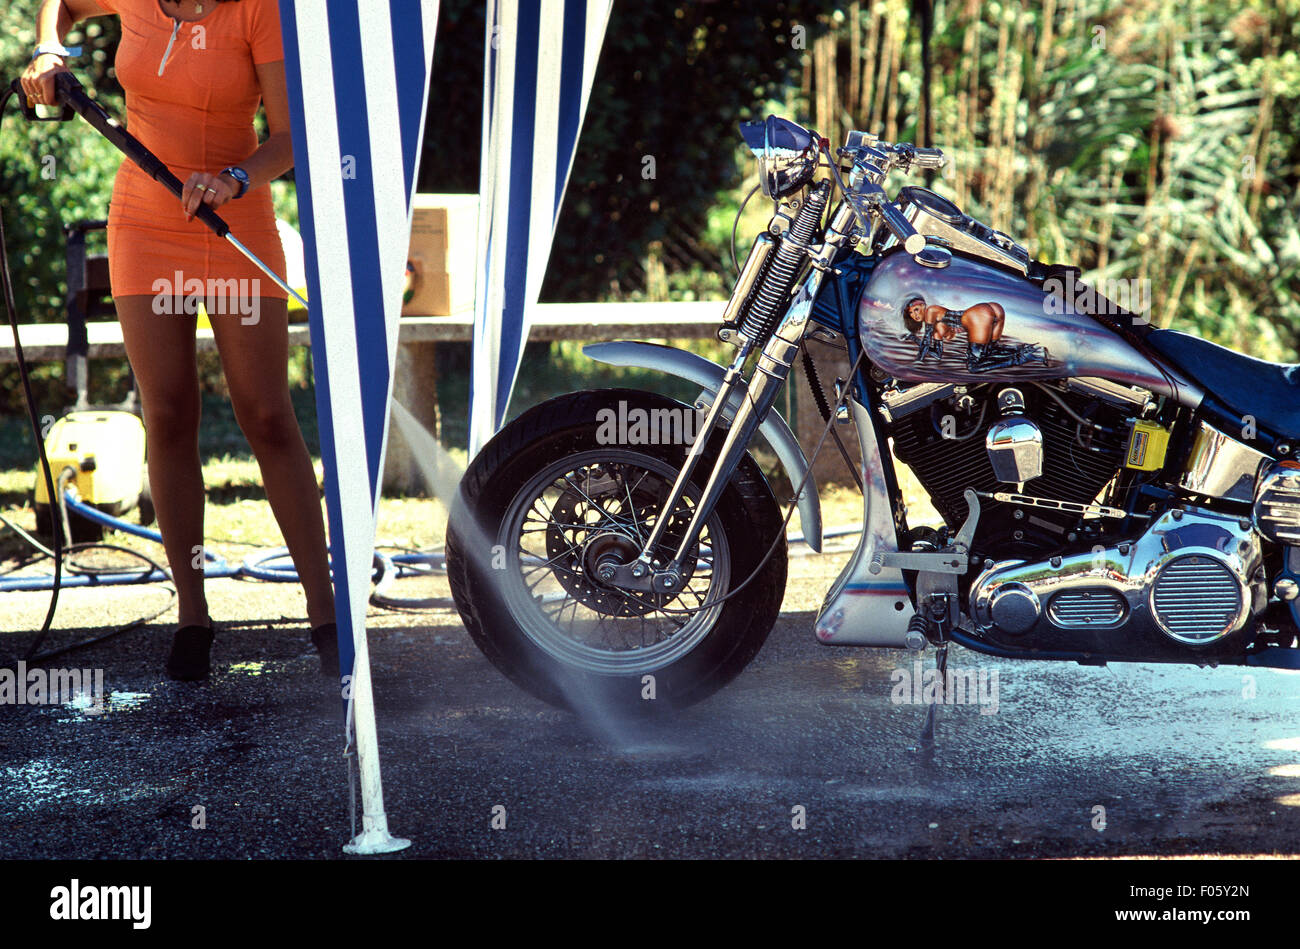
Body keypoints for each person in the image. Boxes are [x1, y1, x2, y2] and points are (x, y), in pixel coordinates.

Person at [20, 0, 338, 680]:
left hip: (235, 220)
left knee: (266, 414)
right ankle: (192, 616)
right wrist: (51, 50)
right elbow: (64, 4)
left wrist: (235, 177)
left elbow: (288, 136)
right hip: (144, 222)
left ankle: (325, 615)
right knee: (167, 413)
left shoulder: (258, 11)